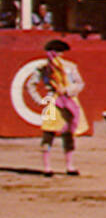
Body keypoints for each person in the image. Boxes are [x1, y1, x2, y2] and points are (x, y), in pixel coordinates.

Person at [26, 39, 87, 177]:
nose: (58, 54)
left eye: (60, 52)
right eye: (55, 52)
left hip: (69, 100)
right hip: (54, 101)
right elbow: (31, 85)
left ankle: (69, 166)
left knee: (69, 134)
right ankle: (47, 167)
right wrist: (40, 100)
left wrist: (68, 90)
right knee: (48, 133)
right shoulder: (44, 68)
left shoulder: (70, 67)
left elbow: (79, 83)